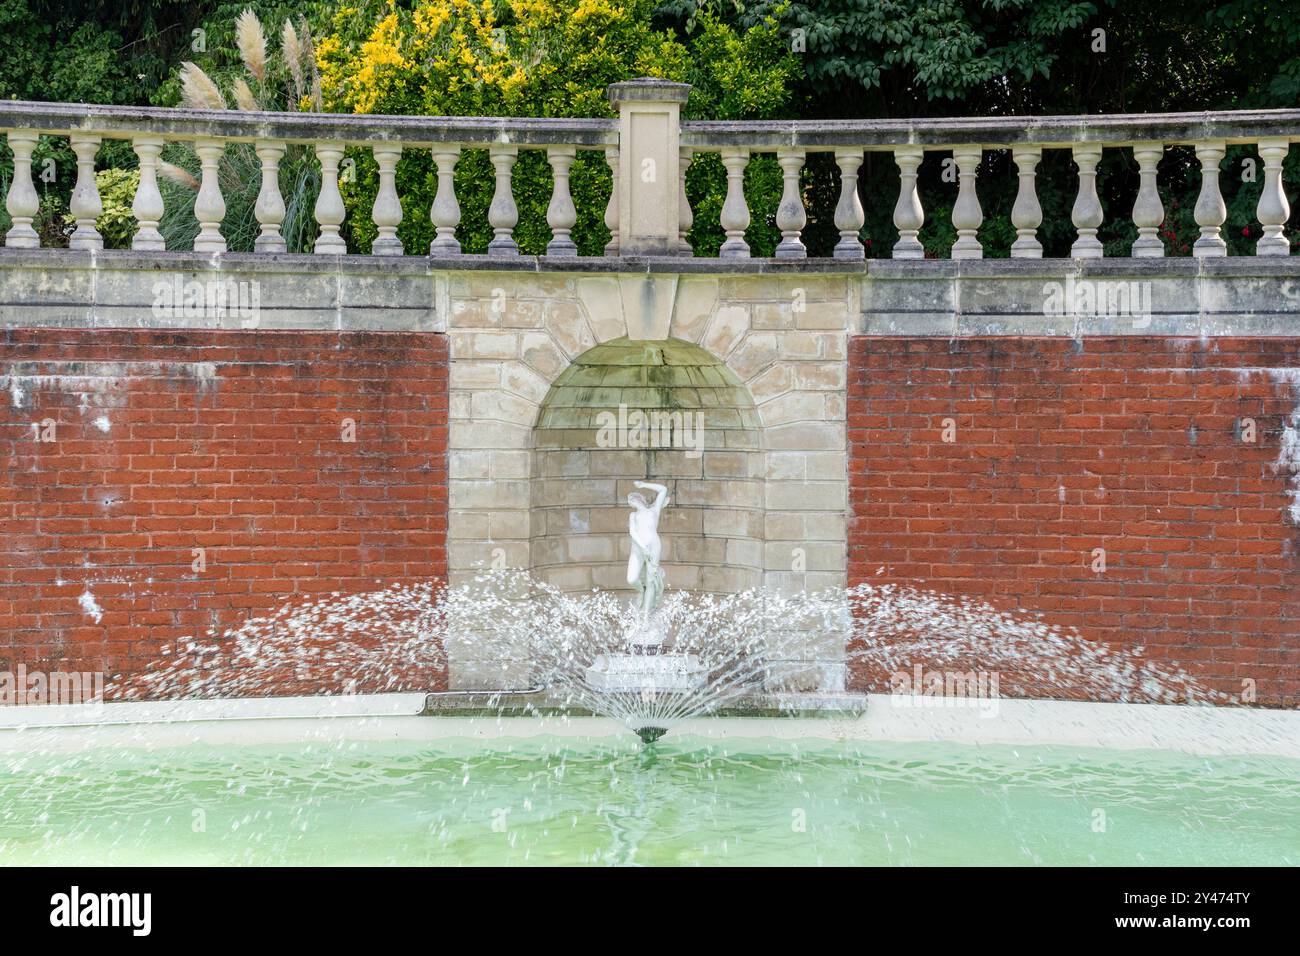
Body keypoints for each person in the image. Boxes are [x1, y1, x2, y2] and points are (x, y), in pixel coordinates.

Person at [626, 480, 668, 619]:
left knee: (651, 581)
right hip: (638, 548)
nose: (629, 502)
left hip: (654, 546)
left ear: (638, 498)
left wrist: (643, 485)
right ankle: (640, 591)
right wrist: (643, 547)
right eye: (629, 501)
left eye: (631, 499)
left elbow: (663, 489)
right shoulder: (633, 515)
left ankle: (645, 616)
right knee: (632, 579)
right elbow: (633, 532)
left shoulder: (654, 510)